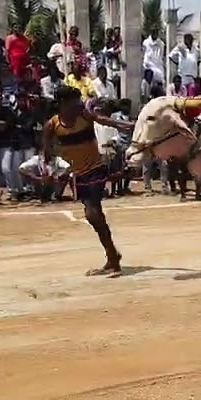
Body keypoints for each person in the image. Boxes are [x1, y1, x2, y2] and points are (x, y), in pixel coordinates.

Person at [43, 85, 134, 276]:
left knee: (93, 213)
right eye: (73, 101)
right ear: (62, 103)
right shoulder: (52, 125)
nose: (78, 103)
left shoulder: (83, 116)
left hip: (96, 169)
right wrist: (50, 168)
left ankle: (113, 260)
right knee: (95, 216)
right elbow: (46, 152)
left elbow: (105, 121)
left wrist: (131, 126)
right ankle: (112, 256)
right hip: (79, 174)